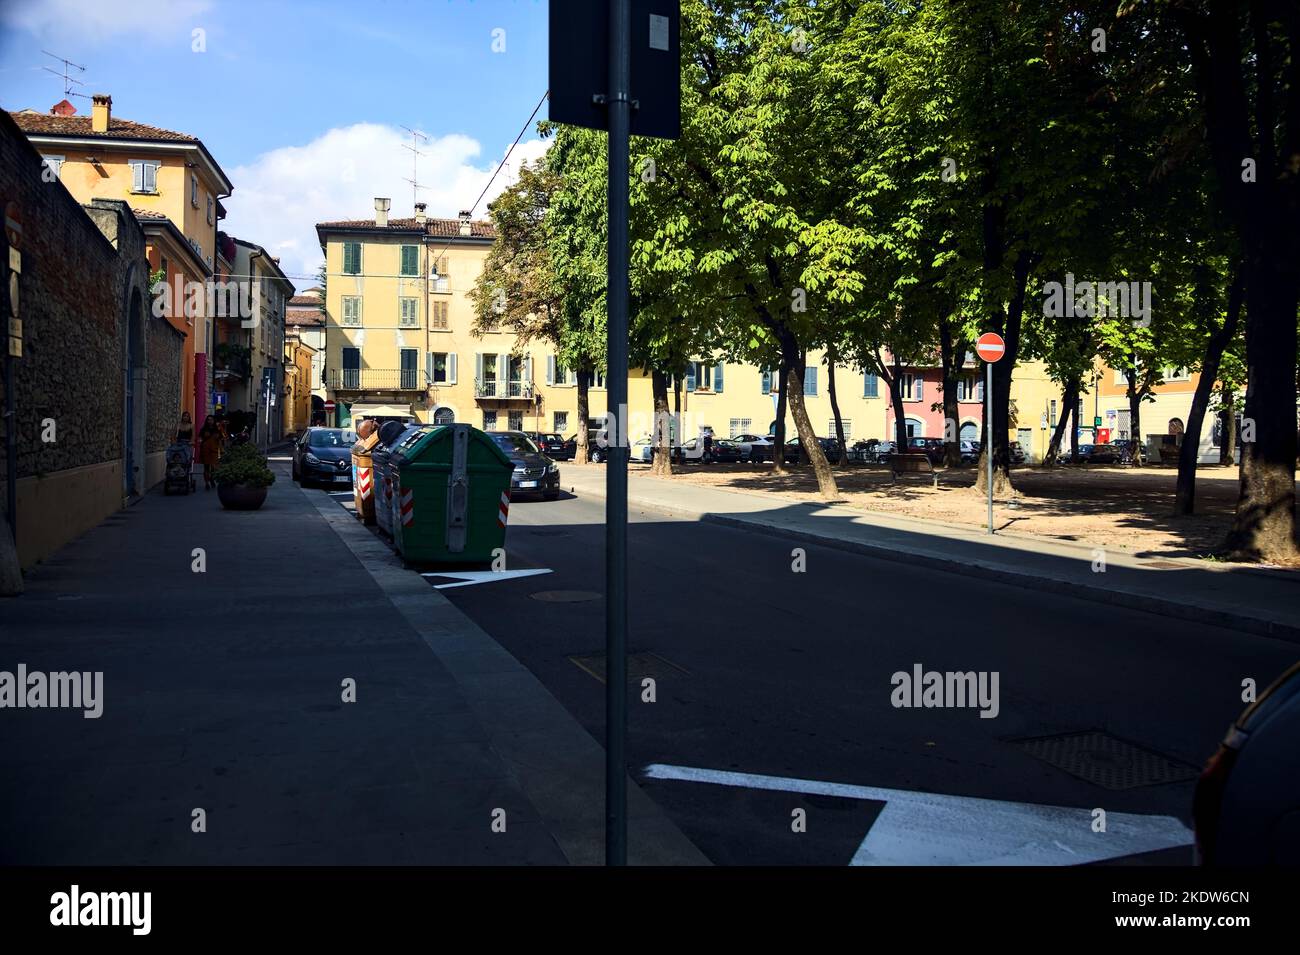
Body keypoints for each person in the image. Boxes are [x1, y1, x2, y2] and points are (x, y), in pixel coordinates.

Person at [198, 419, 223, 490]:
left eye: (212, 420)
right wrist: (200, 440)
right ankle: (206, 483)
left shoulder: (217, 429)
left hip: (214, 450)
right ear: (206, 421)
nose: (210, 421)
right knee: (206, 467)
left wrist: (221, 449)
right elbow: (200, 437)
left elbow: (220, 438)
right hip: (205, 450)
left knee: (213, 468)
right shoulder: (204, 429)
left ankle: (211, 479)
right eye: (208, 420)